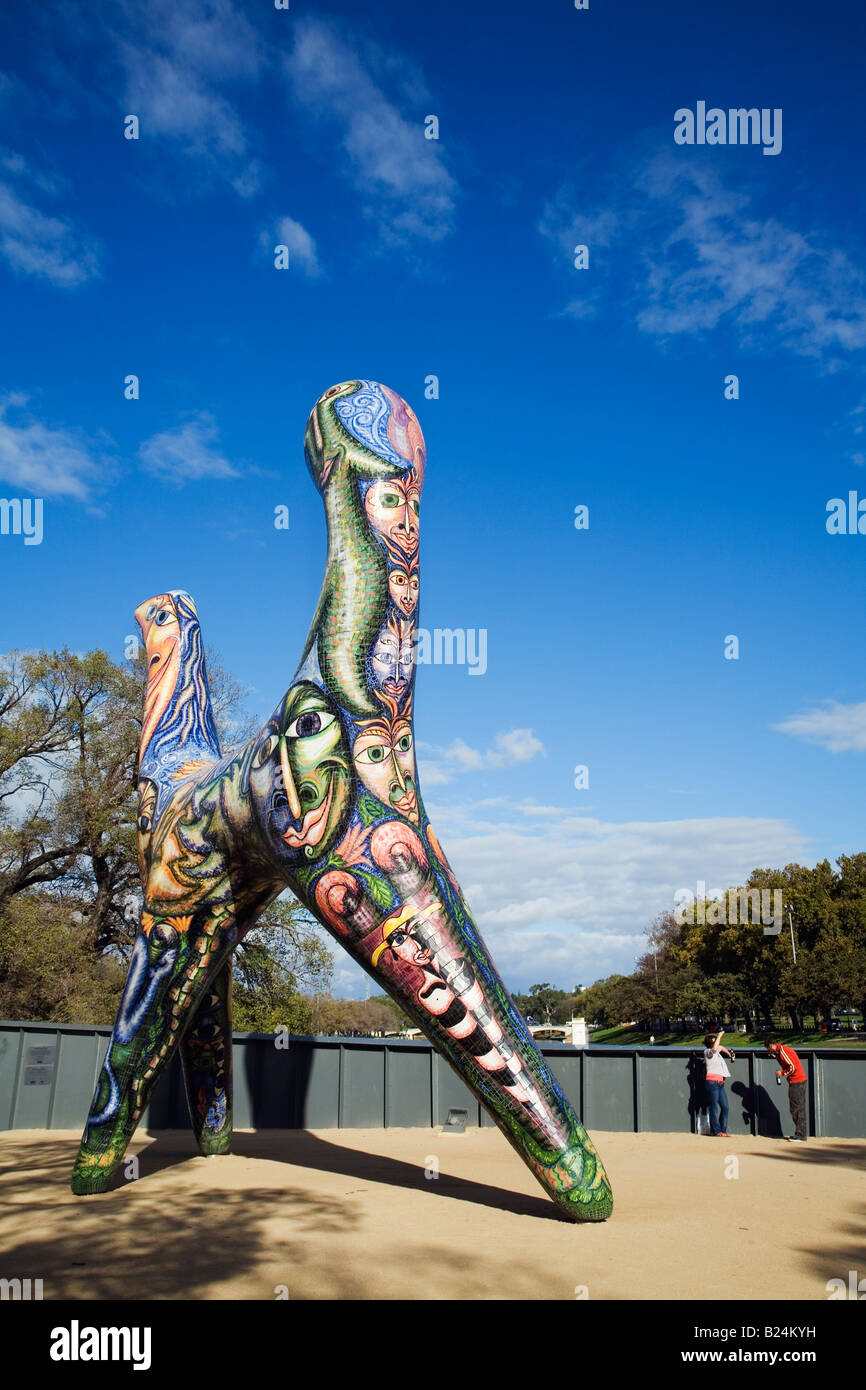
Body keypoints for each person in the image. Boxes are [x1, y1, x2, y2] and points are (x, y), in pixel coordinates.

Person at [766, 1039, 808, 1142]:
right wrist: (776, 1056)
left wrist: (782, 1073)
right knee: (799, 1107)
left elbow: (792, 1067)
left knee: (796, 1108)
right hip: (799, 1080)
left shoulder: (783, 1051)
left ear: (771, 1045)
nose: (768, 1050)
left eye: (768, 1048)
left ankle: (800, 1135)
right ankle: (801, 1133)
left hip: (796, 1081)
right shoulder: (782, 1051)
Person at [702, 1028, 734, 1137]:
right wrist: (720, 1036)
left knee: (725, 1107)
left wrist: (728, 1053)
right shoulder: (707, 1052)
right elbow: (715, 1049)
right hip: (712, 1082)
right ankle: (716, 1131)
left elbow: (720, 1048)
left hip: (720, 1083)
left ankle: (723, 1130)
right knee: (714, 1107)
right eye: (715, 1041)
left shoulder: (716, 1051)